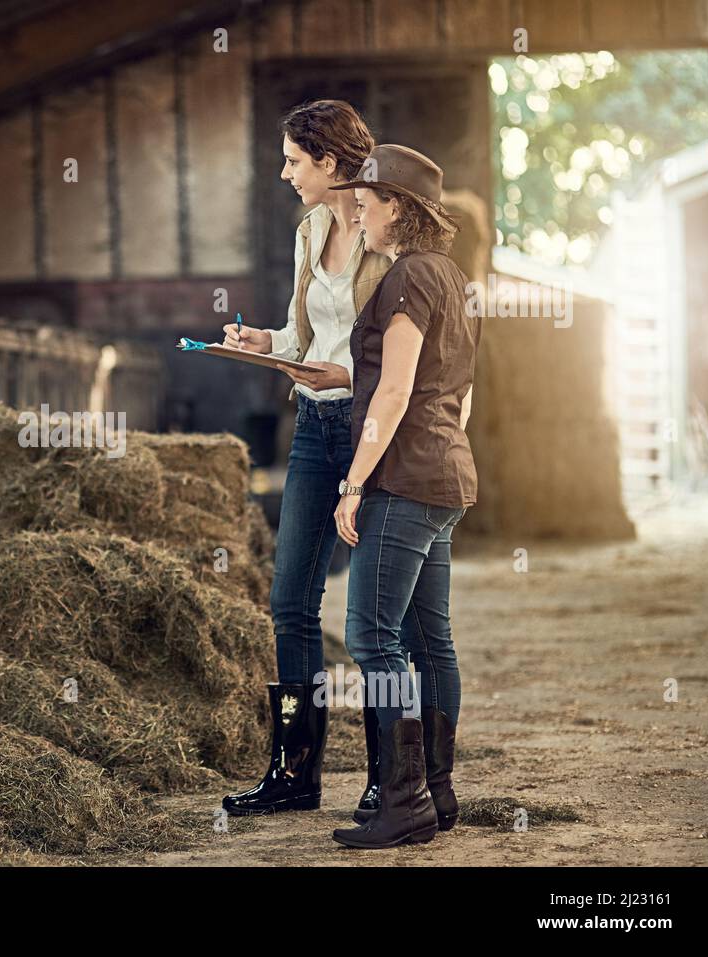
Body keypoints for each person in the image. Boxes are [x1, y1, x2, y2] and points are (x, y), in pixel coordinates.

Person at [220, 100, 390, 816]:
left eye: (294, 160)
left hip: (374, 428)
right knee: (288, 602)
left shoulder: (389, 233)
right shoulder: (309, 230)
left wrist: (345, 377)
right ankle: (295, 773)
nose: (284, 172)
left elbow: (401, 359)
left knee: (383, 620)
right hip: (315, 429)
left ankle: (391, 780)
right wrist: (263, 342)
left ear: (328, 162)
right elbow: (303, 339)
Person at [325, 144, 480, 849]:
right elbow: (458, 392)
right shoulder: (447, 276)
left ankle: (405, 800)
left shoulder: (409, 278)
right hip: (444, 472)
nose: (357, 216)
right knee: (428, 639)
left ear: (397, 207)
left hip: (406, 479)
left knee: (371, 637)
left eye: (365, 204)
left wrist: (355, 480)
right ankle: (435, 792)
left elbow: (394, 388)